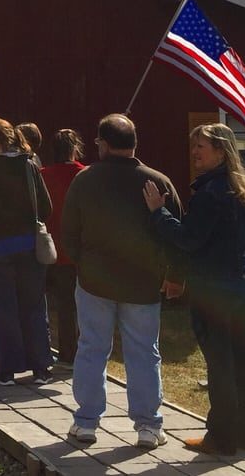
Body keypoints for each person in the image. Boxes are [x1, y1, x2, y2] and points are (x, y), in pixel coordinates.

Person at [142, 123, 245, 455]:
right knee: (241, 357)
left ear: (221, 151)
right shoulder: (241, 185)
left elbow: (188, 239)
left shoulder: (212, 192)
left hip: (215, 289)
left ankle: (222, 438)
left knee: (220, 363)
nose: (195, 151)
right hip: (242, 283)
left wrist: (158, 213)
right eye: (194, 145)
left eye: (202, 146)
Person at [62, 113, 182, 450]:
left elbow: (69, 231)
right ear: (134, 143)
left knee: (92, 348)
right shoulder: (158, 181)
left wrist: (83, 262)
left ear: (102, 143)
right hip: (143, 283)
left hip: (95, 281)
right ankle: (147, 425)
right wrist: (174, 275)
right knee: (144, 353)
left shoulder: (85, 180)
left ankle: (86, 421)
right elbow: (176, 234)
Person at [0, 117, 54, 385]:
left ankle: (7, 369)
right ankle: (41, 367)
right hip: (28, 246)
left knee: (4, 308)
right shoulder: (29, 166)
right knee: (33, 306)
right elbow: (46, 207)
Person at [41, 129, 85, 367]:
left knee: (46, 303)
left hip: (47, 247)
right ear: (75, 148)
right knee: (73, 305)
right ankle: (72, 351)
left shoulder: (42, 175)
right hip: (77, 250)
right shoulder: (84, 175)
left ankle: (47, 349)